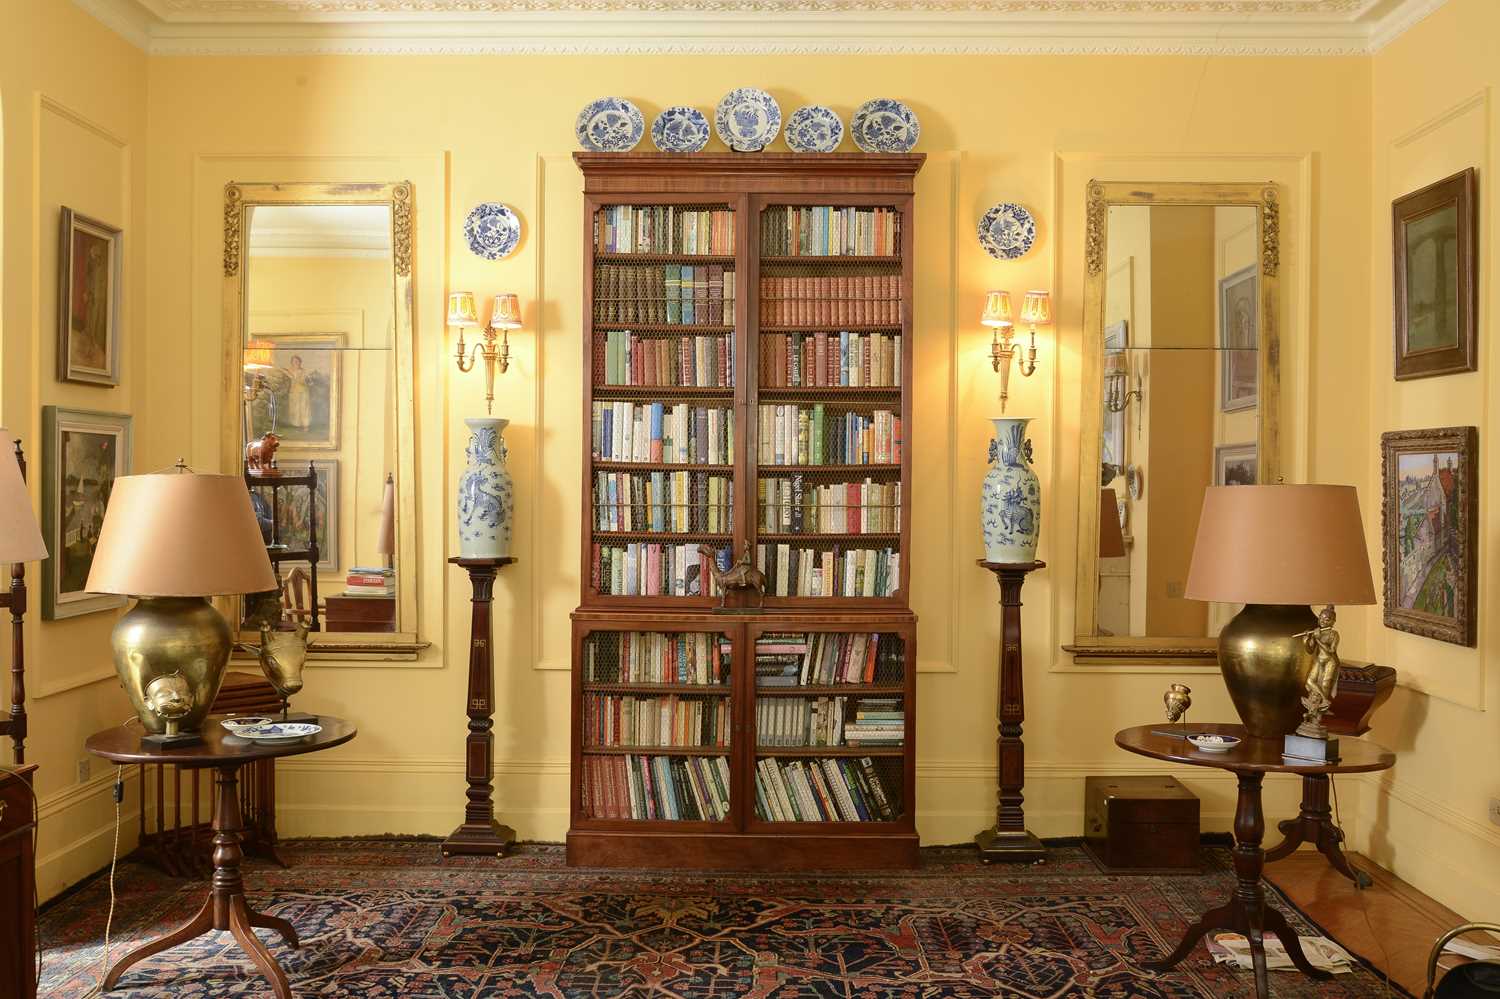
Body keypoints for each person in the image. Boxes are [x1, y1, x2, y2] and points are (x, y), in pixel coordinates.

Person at [1294, 605, 1340, 739]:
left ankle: (1317, 717)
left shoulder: (1333, 634)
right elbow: (1310, 650)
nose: (1323, 621)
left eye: (1327, 620)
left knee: (1325, 686)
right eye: (1321, 618)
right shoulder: (1317, 632)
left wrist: (1318, 638)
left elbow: (1331, 651)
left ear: (1333, 622)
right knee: (1309, 682)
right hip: (1319, 661)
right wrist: (1306, 641)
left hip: (1330, 662)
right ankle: (1324, 701)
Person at [286, 355, 312, 430]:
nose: (296, 363)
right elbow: (284, 372)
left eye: (297, 361)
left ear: (300, 362)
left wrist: (308, 382)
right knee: (295, 409)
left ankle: (305, 425)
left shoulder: (304, 371)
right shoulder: (289, 371)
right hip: (294, 392)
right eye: (294, 361)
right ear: (291, 363)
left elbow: (309, 381)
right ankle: (297, 425)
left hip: (303, 391)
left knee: (304, 408)